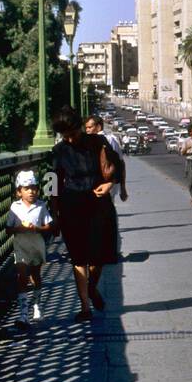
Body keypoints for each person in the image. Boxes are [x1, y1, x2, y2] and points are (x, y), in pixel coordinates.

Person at [51, 106, 121, 322]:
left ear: (80, 127)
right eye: (65, 137)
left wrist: (110, 184)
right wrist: (53, 211)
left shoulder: (98, 142)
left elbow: (116, 166)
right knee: (79, 258)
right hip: (72, 206)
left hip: (99, 203)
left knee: (98, 257)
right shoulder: (59, 151)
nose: (70, 140)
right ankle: (84, 307)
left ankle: (91, 288)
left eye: (72, 134)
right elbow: (52, 181)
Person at [6, 170, 54, 329]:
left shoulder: (41, 206)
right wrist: (19, 228)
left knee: (35, 276)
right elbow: (8, 229)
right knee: (22, 276)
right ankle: (23, 315)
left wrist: (37, 228)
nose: (31, 191)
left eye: (34, 188)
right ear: (19, 191)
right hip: (21, 247)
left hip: (36, 246)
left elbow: (49, 226)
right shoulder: (15, 207)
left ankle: (37, 305)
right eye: (27, 188)